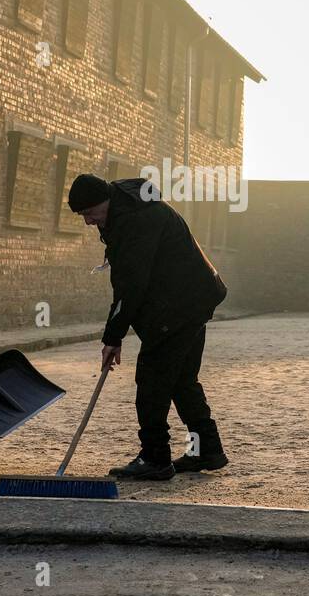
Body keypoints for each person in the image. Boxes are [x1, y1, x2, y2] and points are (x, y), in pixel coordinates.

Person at [68, 173, 229, 480]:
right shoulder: (127, 207)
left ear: (104, 202)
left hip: (178, 306)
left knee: (152, 381)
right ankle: (205, 449)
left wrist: (113, 337)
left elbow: (131, 285)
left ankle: (155, 457)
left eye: (89, 213)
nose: (88, 222)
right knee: (182, 379)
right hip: (195, 297)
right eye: (83, 216)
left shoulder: (135, 222)